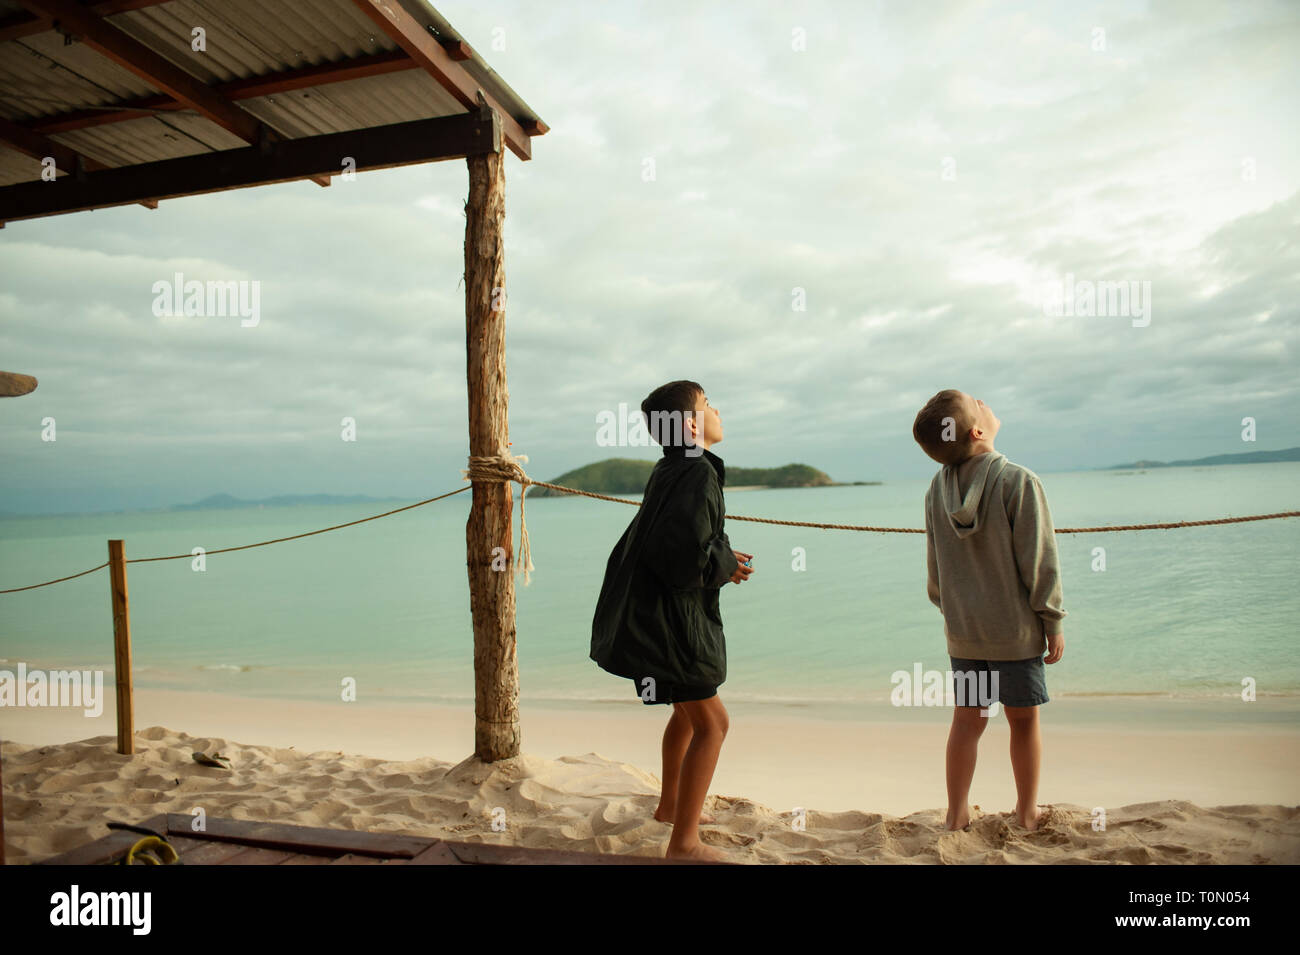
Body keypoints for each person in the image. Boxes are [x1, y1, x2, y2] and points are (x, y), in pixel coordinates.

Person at [591, 380, 753, 860]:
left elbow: (678, 540)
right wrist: (722, 565)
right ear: (688, 424)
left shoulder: (671, 468)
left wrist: (722, 556)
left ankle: (669, 807)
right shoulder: (697, 472)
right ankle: (684, 844)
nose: (717, 410)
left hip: (649, 612)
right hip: (669, 620)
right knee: (713, 724)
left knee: (684, 714)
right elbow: (683, 561)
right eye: (707, 405)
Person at [911, 389, 1066, 832]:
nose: (984, 401)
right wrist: (1051, 618)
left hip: (965, 632)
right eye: (977, 402)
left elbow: (935, 567)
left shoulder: (936, 490)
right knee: (1023, 721)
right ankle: (1026, 812)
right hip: (1014, 633)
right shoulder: (1019, 481)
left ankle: (957, 813)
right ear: (978, 431)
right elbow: (1039, 560)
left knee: (967, 720)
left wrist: (953, 611)